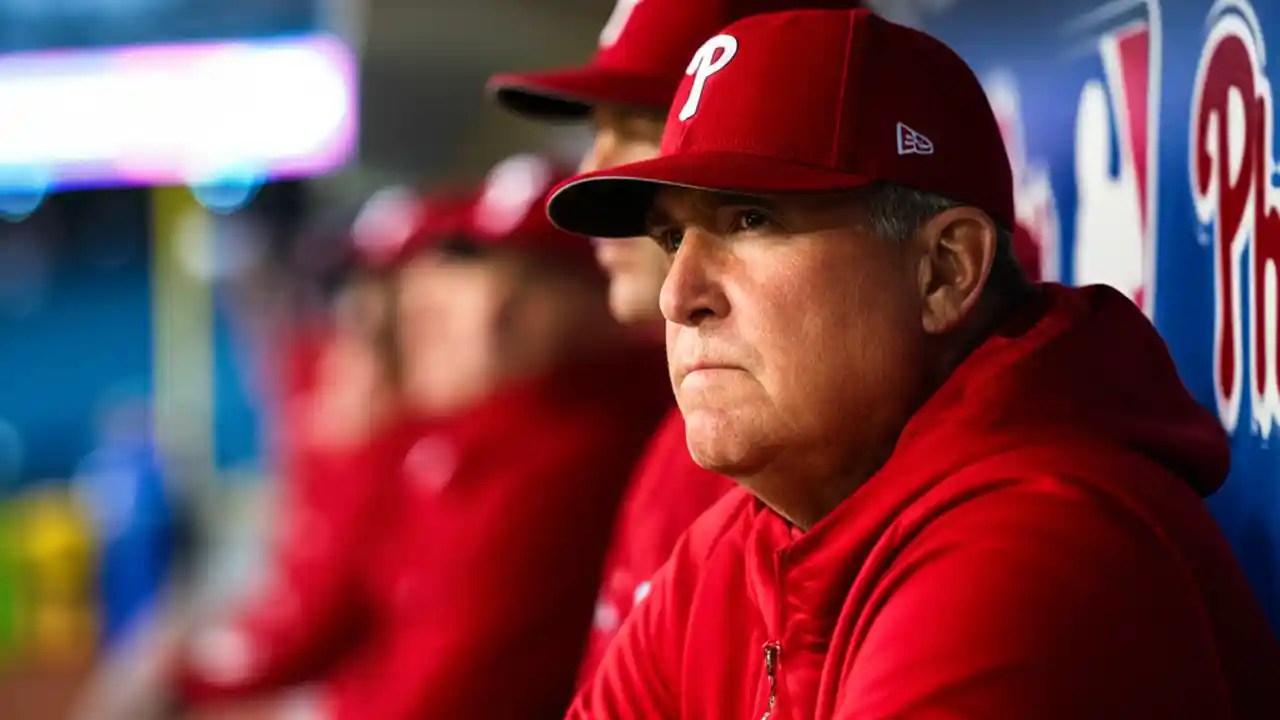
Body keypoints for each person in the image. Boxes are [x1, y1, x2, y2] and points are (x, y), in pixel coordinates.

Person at [546, 9, 1280, 718]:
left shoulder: (1034, 545)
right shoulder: (733, 549)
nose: (681, 294)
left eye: (750, 220)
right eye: (673, 240)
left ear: (944, 272)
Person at [488, 0, 866, 674]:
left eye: (636, 128)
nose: (593, 168)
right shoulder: (686, 440)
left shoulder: (796, 453)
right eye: (596, 132)